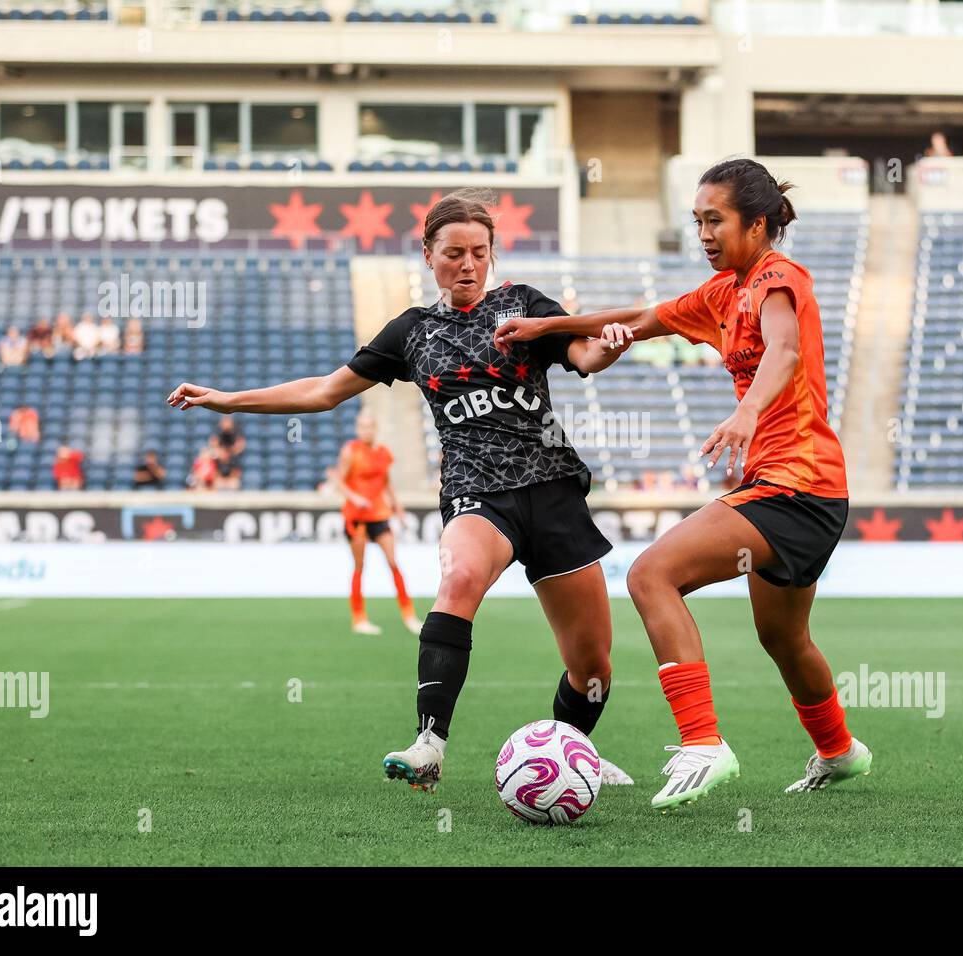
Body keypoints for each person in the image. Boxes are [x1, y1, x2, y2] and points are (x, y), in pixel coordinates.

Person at [167, 189, 638, 792]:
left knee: (593, 663)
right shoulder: (412, 331)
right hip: (477, 494)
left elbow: (585, 353)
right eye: (453, 253)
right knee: (460, 577)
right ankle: (429, 744)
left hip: (553, 491)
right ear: (428, 256)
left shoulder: (524, 305)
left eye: (478, 252)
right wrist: (225, 398)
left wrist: (612, 343)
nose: (467, 265)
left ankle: (569, 752)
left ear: (492, 254)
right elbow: (323, 392)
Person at [495, 158, 872, 810]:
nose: (703, 232)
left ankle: (704, 741)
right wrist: (546, 328)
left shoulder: (780, 279)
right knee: (784, 638)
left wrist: (747, 411)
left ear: (757, 223)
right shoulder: (724, 291)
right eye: (697, 220)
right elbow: (641, 319)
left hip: (795, 483)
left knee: (650, 575)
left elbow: (783, 351)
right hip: (808, 491)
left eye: (715, 220)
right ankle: (840, 751)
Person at [331, 411, 421, 636]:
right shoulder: (350, 451)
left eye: (370, 426)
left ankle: (409, 615)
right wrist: (355, 498)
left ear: (375, 428)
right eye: (362, 426)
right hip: (357, 516)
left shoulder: (382, 453)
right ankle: (359, 618)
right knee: (360, 566)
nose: (366, 430)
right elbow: (338, 481)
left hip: (379, 514)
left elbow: (386, 484)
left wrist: (398, 510)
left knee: (393, 562)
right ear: (357, 428)